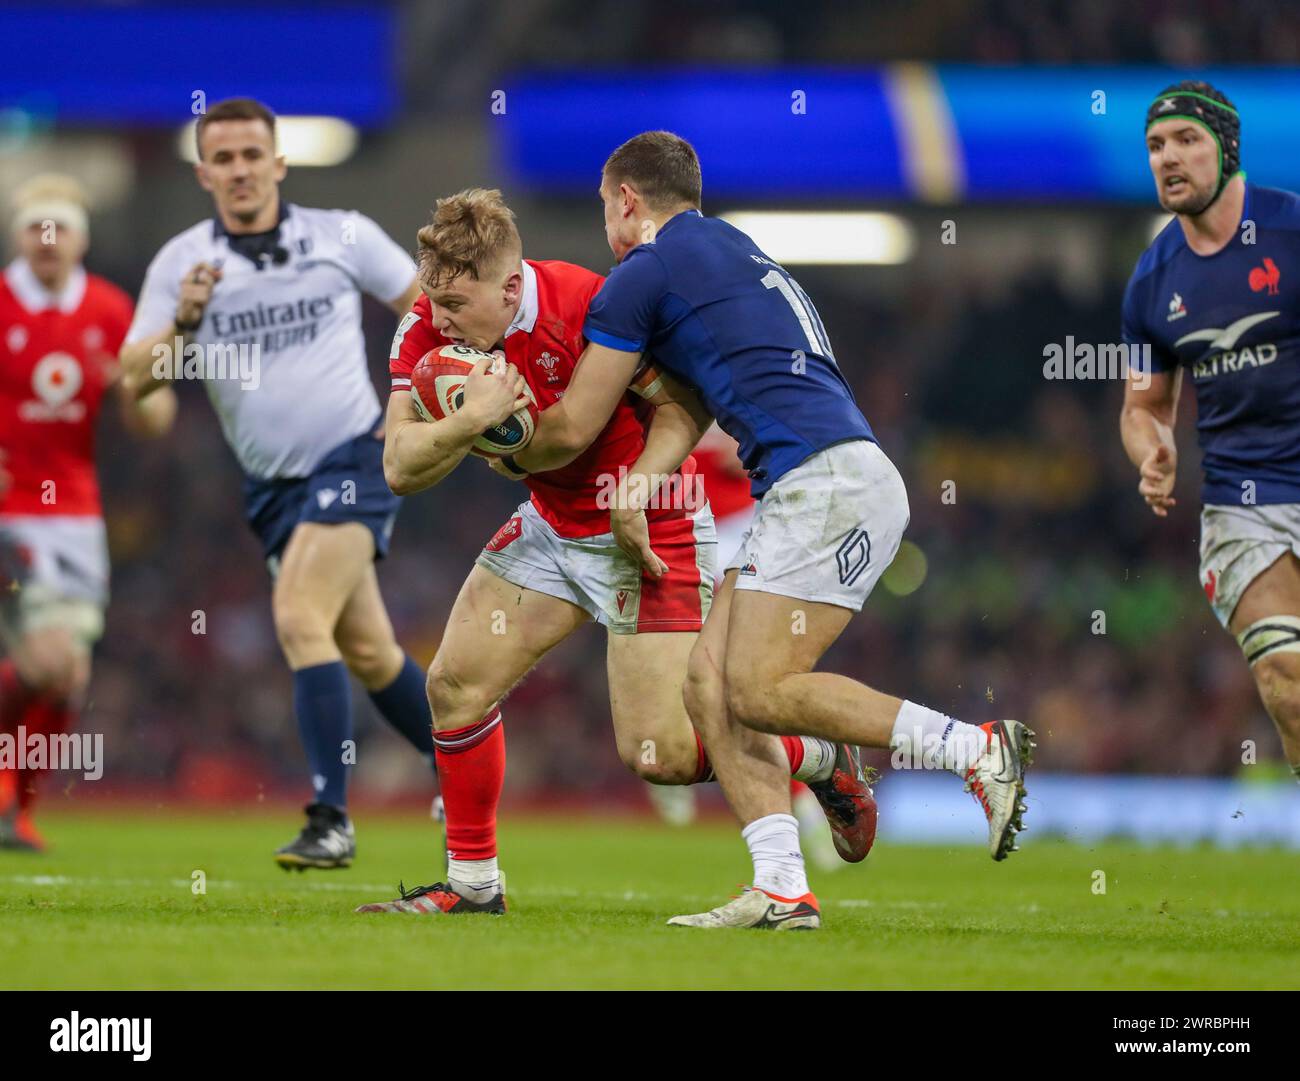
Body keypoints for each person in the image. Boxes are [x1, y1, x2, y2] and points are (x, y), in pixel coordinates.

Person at [516, 131, 1033, 929]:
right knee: (707, 685)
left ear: (626, 199)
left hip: (822, 482)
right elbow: (690, 400)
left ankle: (974, 748)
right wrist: (641, 485)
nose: (604, 228)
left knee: (758, 688)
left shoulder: (640, 274)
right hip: (825, 476)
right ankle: (783, 886)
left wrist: (488, 429)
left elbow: (574, 425)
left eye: (603, 207)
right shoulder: (731, 249)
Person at [355, 188, 866, 916]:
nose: (440, 322)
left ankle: (815, 755)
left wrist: (636, 488)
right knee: (453, 685)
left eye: (458, 308)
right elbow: (402, 465)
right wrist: (466, 422)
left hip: (648, 526)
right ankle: (473, 885)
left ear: (509, 286)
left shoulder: (589, 303)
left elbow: (684, 403)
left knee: (659, 754)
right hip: (554, 519)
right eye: (434, 304)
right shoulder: (424, 327)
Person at [118, 97, 437, 870]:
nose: (238, 170)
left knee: (298, 617)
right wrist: (186, 327)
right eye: (221, 159)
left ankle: (330, 817)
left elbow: (428, 307)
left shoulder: (341, 234)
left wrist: (421, 400)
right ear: (202, 173)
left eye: (251, 155)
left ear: (278, 163)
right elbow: (136, 379)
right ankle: (467, 749)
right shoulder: (182, 264)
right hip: (272, 490)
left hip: (354, 455)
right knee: (368, 649)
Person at [1121, 80, 1300, 785]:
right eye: (1156, 146)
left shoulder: (1290, 231)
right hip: (1242, 504)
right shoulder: (1150, 282)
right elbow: (1143, 404)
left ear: (1227, 148)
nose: (1169, 157)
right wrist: (1152, 450)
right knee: (1287, 678)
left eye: (1187, 140)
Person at [0, 174, 176, 850]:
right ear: (19, 235)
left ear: (82, 237)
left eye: (61, 225)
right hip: (10, 508)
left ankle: (16, 810)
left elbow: (152, 421)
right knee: (47, 661)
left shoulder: (107, 309)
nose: (48, 238)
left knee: (69, 676)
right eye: (35, 225)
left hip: (75, 513)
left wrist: (136, 387)